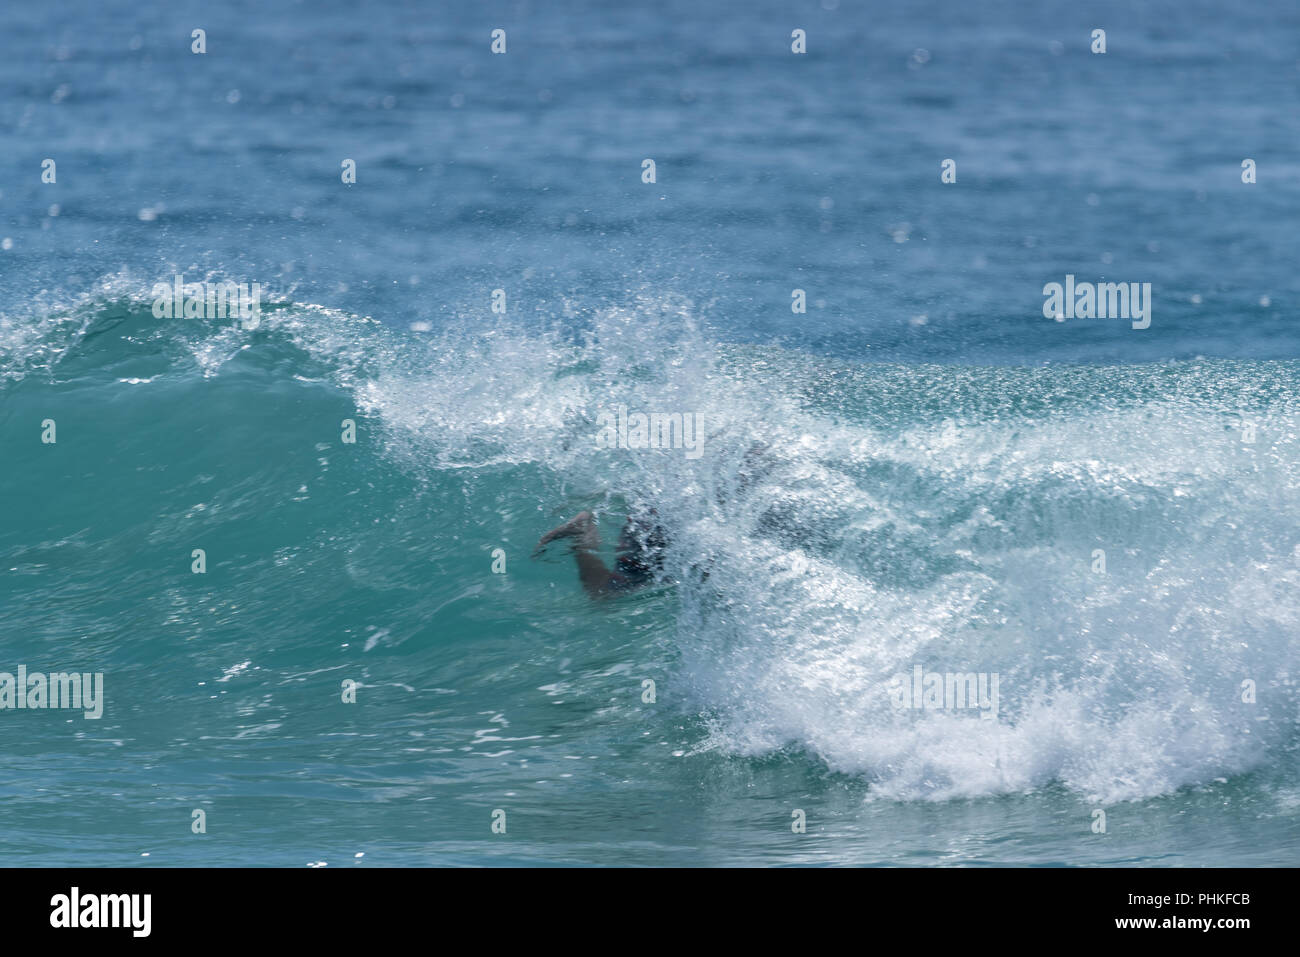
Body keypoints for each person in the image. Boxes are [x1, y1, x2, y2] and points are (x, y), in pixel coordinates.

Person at [533, 509, 668, 597]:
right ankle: (584, 530)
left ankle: (584, 530)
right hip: (657, 535)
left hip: (648, 524)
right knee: (601, 594)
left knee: (601, 594)